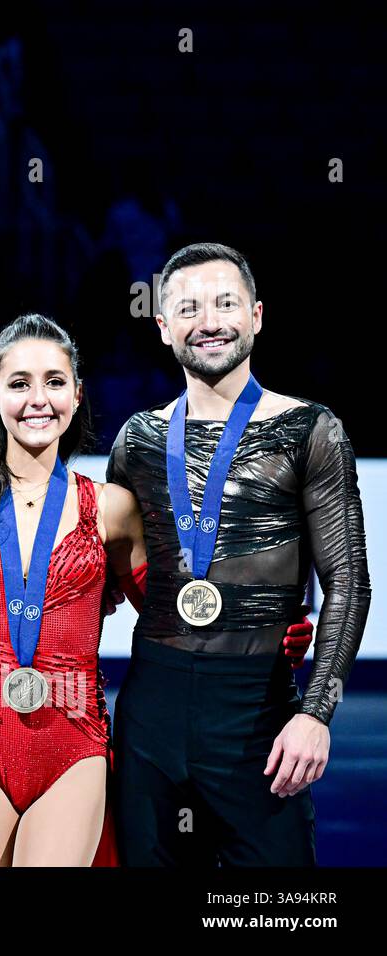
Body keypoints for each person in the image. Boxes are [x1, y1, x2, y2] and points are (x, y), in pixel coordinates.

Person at [103, 241, 370, 866]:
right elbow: (100, 579)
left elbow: (349, 580)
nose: (210, 321)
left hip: (261, 719)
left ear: (255, 314)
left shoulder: (311, 429)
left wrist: (316, 713)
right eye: (189, 307)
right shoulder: (137, 439)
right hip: (151, 714)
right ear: (164, 327)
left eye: (226, 302)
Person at [0, 314, 144, 865]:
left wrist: (257, 631)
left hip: (74, 740)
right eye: (19, 384)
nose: (39, 399)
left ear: (77, 393)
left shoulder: (110, 507)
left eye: (55, 382)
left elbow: (169, 621)